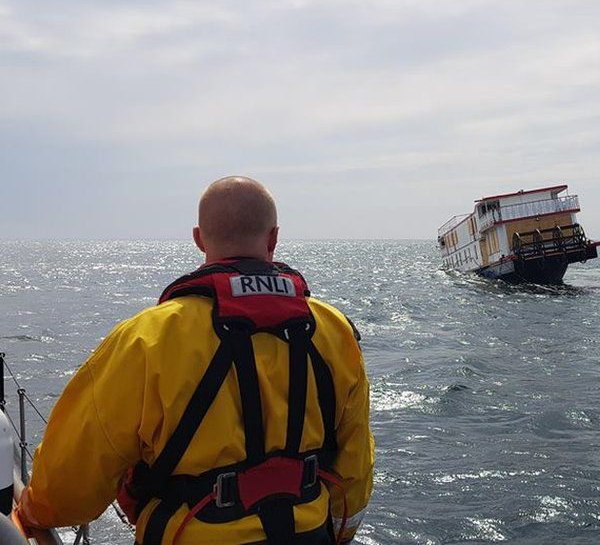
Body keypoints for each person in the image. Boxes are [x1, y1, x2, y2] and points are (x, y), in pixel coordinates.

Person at [15, 176, 374, 544]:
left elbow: (72, 478)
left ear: (199, 238)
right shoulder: (334, 331)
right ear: (273, 238)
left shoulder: (148, 338)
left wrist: (31, 511)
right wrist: (339, 533)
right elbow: (355, 465)